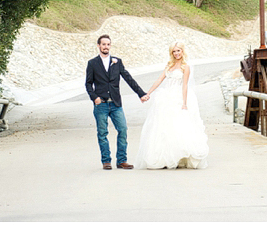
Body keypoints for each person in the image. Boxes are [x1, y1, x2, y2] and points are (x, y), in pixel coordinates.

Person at [134, 41, 209, 169]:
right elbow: (159, 80)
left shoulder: (186, 67)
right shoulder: (169, 66)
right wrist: (148, 93)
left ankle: (180, 157)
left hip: (178, 97)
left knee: (179, 126)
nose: (176, 53)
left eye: (178, 50)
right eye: (174, 51)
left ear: (182, 51)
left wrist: (184, 103)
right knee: (163, 127)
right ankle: (164, 158)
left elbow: (185, 85)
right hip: (166, 96)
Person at [85, 34, 149, 170]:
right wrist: (94, 97)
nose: (106, 47)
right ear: (98, 46)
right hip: (101, 104)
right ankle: (106, 161)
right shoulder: (92, 63)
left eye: (108, 44)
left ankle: (121, 160)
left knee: (123, 129)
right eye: (103, 44)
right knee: (102, 133)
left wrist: (141, 93)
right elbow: (88, 83)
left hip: (115, 104)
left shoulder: (117, 62)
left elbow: (128, 78)